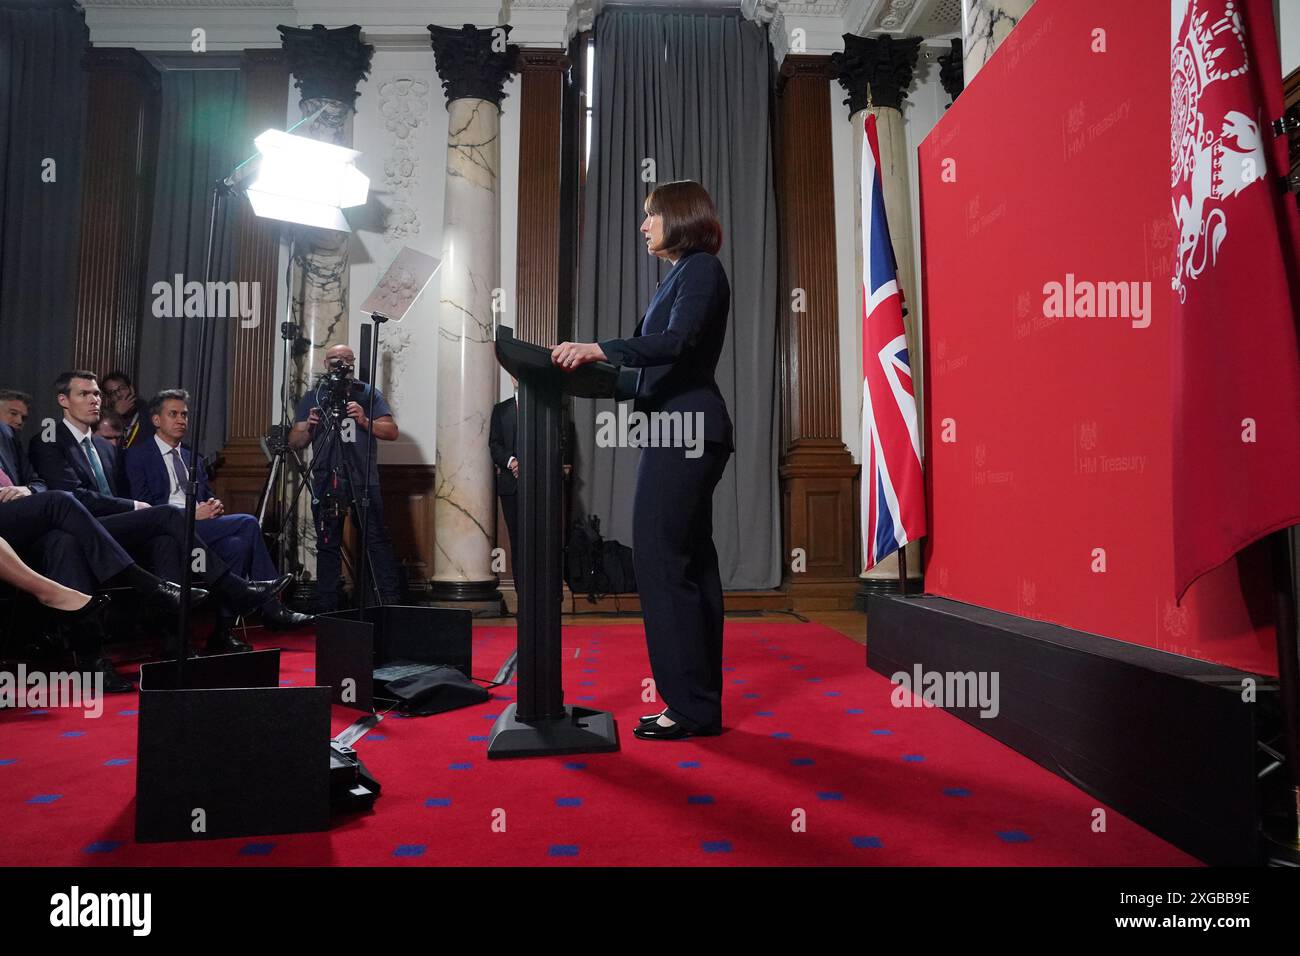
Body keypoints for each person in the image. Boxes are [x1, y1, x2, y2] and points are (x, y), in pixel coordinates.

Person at [551, 180, 733, 741]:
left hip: (687, 429)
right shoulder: (681, 275)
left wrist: (600, 348)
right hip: (681, 428)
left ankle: (687, 707)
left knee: (659, 562)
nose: (643, 224)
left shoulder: (699, 269)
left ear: (679, 217)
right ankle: (698, 705)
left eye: (651, 214)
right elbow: (654, 364)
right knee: (689, 564)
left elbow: (677, 343)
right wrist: (597, 373)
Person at [28, 370, 289, 655]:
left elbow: (118, 492)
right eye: (84, 394)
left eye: (96, 394)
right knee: (167, 515)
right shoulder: (48, 440)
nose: (94, 400)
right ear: (63, 400)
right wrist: (135, 507)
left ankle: (177, 643)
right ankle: (236, 589)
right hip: (83, 526)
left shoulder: (105, 447)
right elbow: (74, 496)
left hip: (118, 527)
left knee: (169, 539)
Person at [126, 389, 313, 644]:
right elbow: (145, 506)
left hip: (201, 531)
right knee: (247, 523)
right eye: (173, 414)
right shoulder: (138, 455)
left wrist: (213, 505)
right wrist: (191, 514)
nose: (181, 420)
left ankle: (222, 632)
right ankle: (271, 609)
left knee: (235, 546)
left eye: (185, 415)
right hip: (166, 531)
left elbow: (205, 493)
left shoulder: (192, 456)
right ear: (156, 420)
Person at [289, 345, 403, 611]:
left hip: (363, 478)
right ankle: (328, 608)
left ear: (353, 363)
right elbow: (295, 441)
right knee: (327, 543)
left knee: (375, 540)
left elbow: (392, 431)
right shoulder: (314, 395)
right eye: (334, 360)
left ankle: (388, 603)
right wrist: (309, 427)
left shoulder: (367, 393)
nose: (340, 364)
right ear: (325, 363)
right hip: (327, 477)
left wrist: (365, 421)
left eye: (346, 360)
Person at [100, 371, 151, 450]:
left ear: (131, 389)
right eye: (112, 393)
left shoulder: (149, 413)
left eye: (121, 389)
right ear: (109, 398)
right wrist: (116, 415)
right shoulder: (104, 418)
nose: (119, 395)